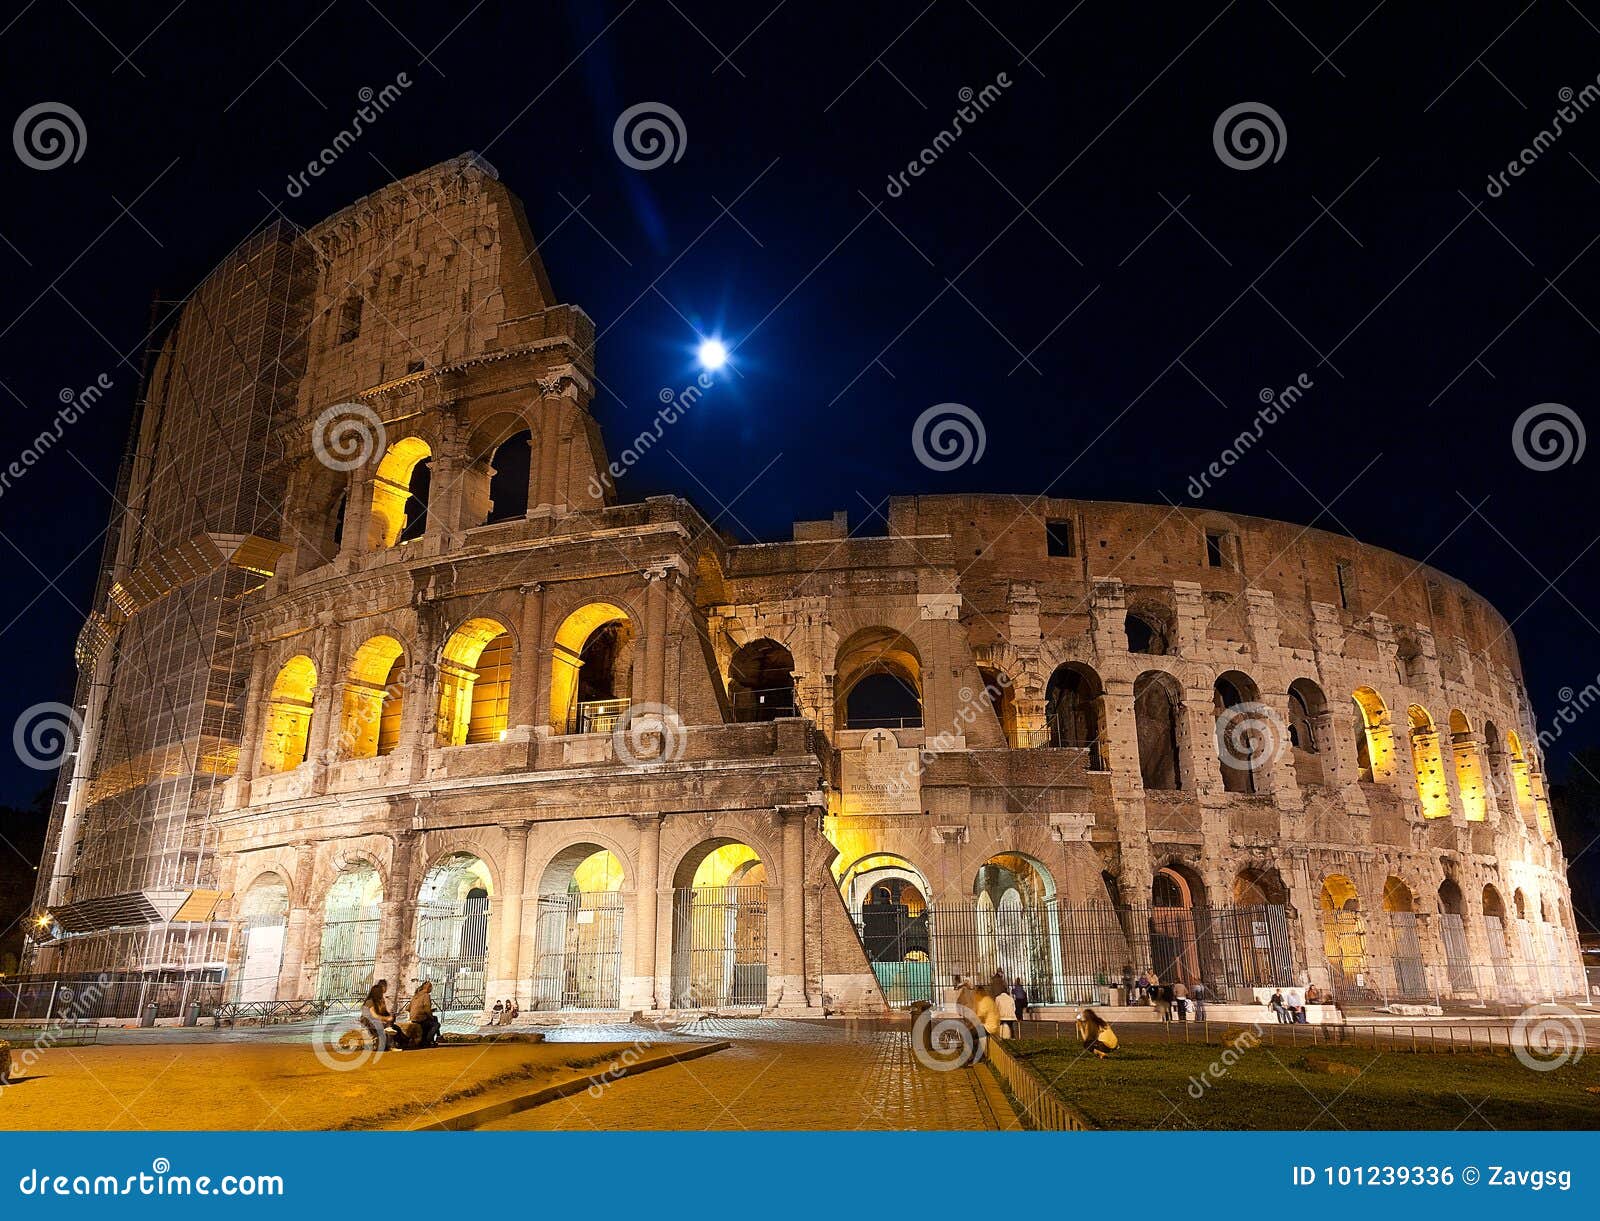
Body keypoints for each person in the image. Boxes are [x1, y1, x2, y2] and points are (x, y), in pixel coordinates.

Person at [361, 979, 395, 1051]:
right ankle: (390, 1045)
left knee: (395, 1028)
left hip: (375, 1021)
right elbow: (374, 1015)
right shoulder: (370, 1001)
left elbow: (383, 1013)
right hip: (369, 1022)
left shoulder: (380, 1001)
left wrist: (389, 1016)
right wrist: (386, 1019)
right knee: (386, 1027)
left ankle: (390, 1043)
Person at [972, 984, 1001, 1063]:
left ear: (978, 993)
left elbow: (980, 1017)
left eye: (976, 994)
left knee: (968, 1035)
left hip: (989, 1027)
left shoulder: (983, 1001)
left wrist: (971, 1026)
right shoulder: (989, 999)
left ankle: (979, 1057)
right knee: (974, 1035)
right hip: (994, 1025)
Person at [408, 980, 441, 1048]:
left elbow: (408, 1008)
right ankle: (427, 1041)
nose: (431, 989)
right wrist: (430, 1016)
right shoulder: (426, 996)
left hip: (413, 1018)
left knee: (435, 1018)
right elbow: (427, 1009)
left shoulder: (416, 995)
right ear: (428, 988)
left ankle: (435, 1039)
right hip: (420, 1019)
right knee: (436, 1024)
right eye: (431, 988)